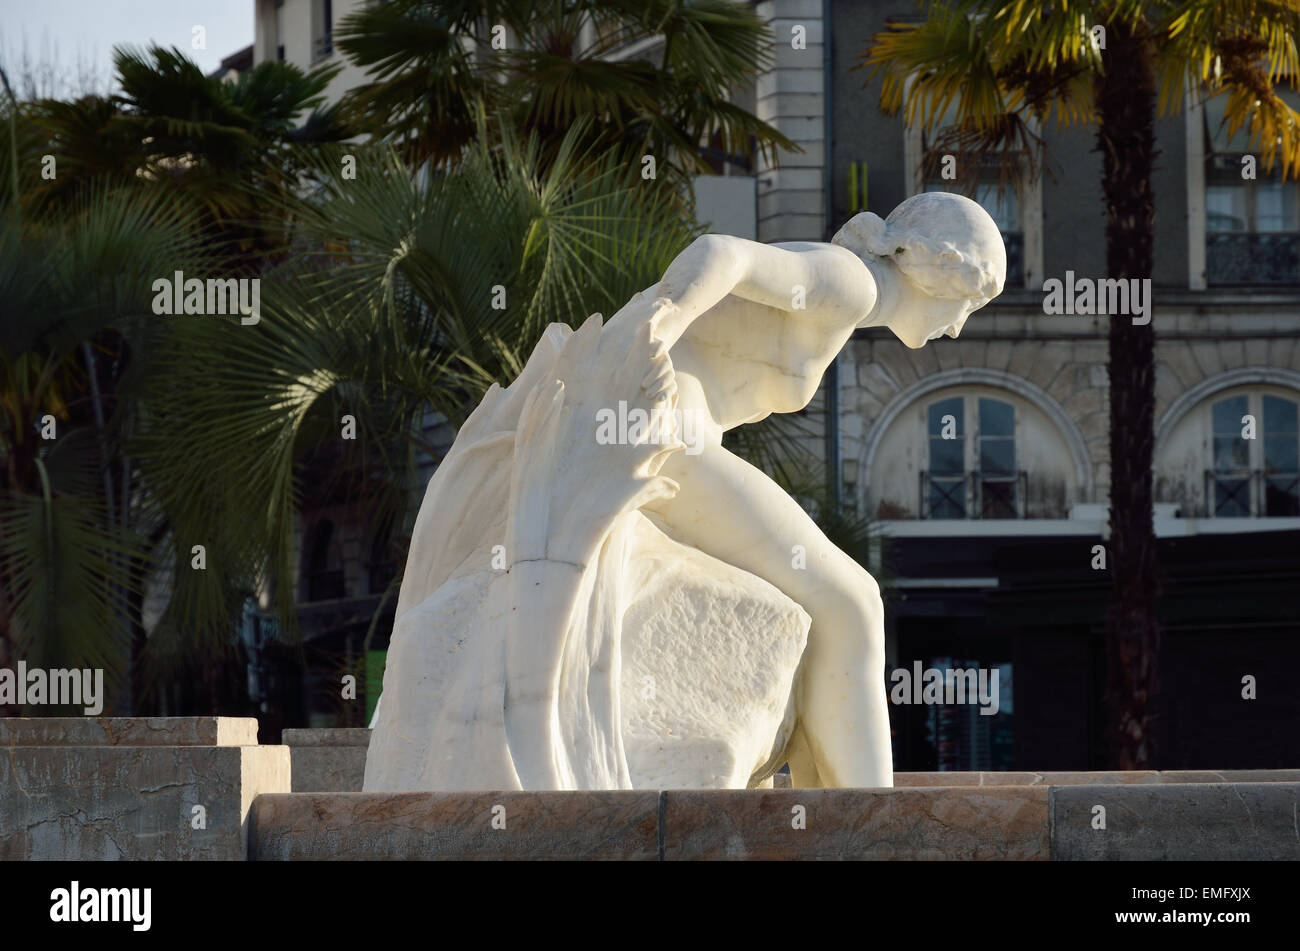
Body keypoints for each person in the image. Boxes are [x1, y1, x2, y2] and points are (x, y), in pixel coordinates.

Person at [620, 191, 1006, 787]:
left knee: (840, 602)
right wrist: (658, 322)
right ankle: (869, 819)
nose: (957, 327)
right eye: (968, 304)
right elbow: (720, 251)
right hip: (668, 440)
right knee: (851, 603)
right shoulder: (851, 281)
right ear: (938, 274)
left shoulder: (854, 292)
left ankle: (831, 806)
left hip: (678, 439)